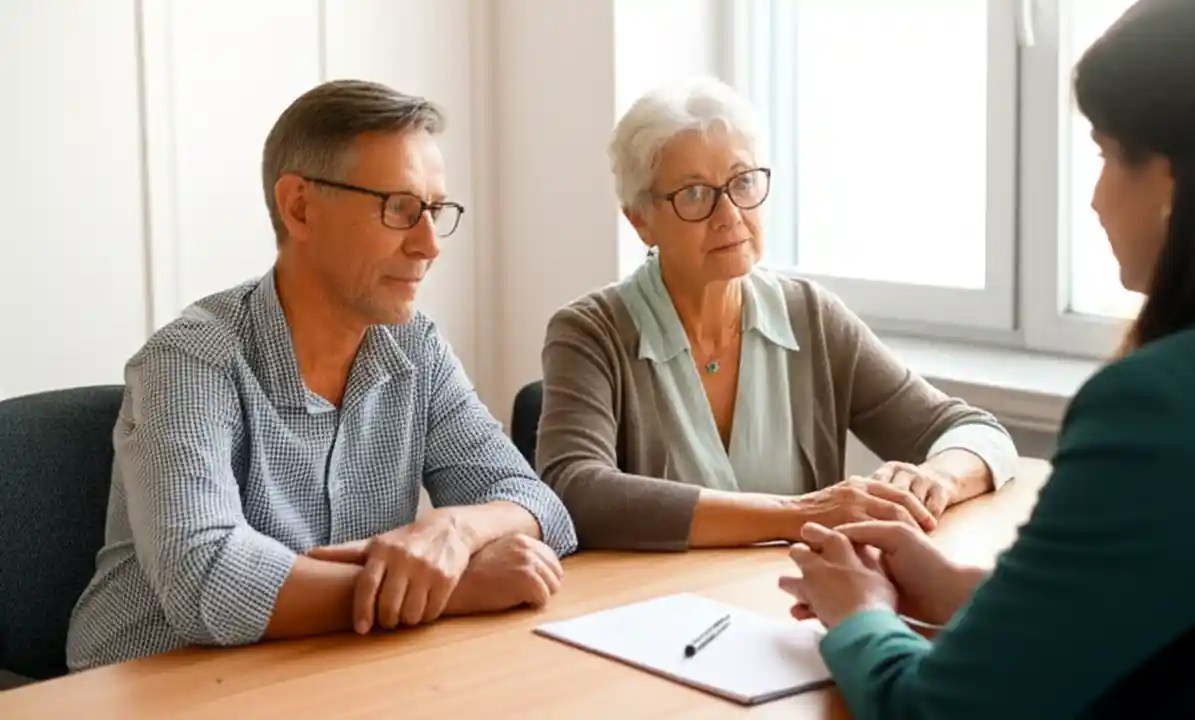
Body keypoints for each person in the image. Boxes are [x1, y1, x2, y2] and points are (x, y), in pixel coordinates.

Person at [779, 0, 1195, 716]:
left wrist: (861, 617)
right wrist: (960, 589)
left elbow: (940, 711)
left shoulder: (1169, 408)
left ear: (1172, 180)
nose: (1097, 201)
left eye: (1107, 155)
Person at [66, 80, 577, 671]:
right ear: (300, 207)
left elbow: (541, 508)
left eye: (435, 211)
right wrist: (451, 591)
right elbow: (206, 578)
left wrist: (456, 529)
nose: (429, 245)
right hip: (155, 682)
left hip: (330, 668)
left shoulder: (417, 349)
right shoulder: (189, 360)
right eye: (400, 208)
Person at [537, 78, 1017, 551]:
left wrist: (939, 478)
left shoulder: (811, 317)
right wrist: (803, 516)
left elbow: (973, 431)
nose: (729, 215)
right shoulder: (589, 333)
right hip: (652, 612)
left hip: (789, 602)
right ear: (640, 219)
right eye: (695, 194)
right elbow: (574, 489)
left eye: (742, 182)